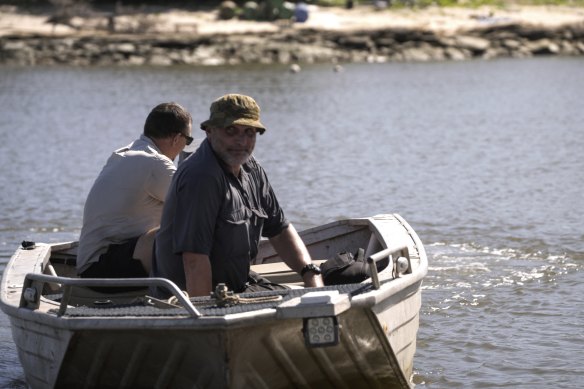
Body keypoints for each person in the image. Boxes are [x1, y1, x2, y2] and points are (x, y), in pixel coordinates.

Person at [152, 94, 324, 298]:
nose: (241, 141)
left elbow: (279, 230)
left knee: (330, 285)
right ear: (209, 131)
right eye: (230, 131)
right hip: (190, 299)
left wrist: (311, 274)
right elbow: (194, 260)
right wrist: (207, 319)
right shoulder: (202, 177)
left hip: (237, 284)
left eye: (249, 132)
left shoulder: (252, 168)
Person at [77, 102, 193, 280]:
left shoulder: (125, 152)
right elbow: (200, 204)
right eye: (189, 140)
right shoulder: (156, 163)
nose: (186, 147)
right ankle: (205, 291)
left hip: (91, 264)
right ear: (177, 138)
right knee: (189, 227)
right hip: (102, 269)